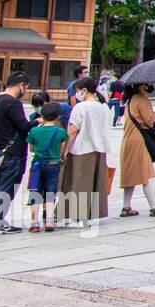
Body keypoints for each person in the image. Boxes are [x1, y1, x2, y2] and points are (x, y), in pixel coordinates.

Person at [60, 76, 111, 226]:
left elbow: (72, 130)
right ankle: (90, 213)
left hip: (81, 149)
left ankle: (79, 216)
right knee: (95, 183)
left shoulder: (81, 107)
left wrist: (65, 149)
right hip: (99, 149)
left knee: (78, 183)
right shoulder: (104, 107)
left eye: (77, 91)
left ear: (83, 90)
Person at [118, 83, 155, 218]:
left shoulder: (130, 99)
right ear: (141, 86)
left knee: (131, 174)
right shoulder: (141, 99)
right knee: (145, 173)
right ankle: (154, 207)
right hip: (139, 140)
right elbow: (149, 121)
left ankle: (126, 206)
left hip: (128, 138)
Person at [0, 71, 33, 234]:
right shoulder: (13, 103)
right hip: (12, 152)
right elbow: (23, 126)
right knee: (6, 186)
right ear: (21, 85)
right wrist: (36, 122)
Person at [26, 100, 67, 233]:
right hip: (54, 165)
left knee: (35, 192)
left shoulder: (34, 131)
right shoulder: (60, 132)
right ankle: (49, 221)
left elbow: (31, 149)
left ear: (41, 116)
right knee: (50, 192)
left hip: (37, 165)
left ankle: (34, 223)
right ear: (57, 117)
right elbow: (61, 150)